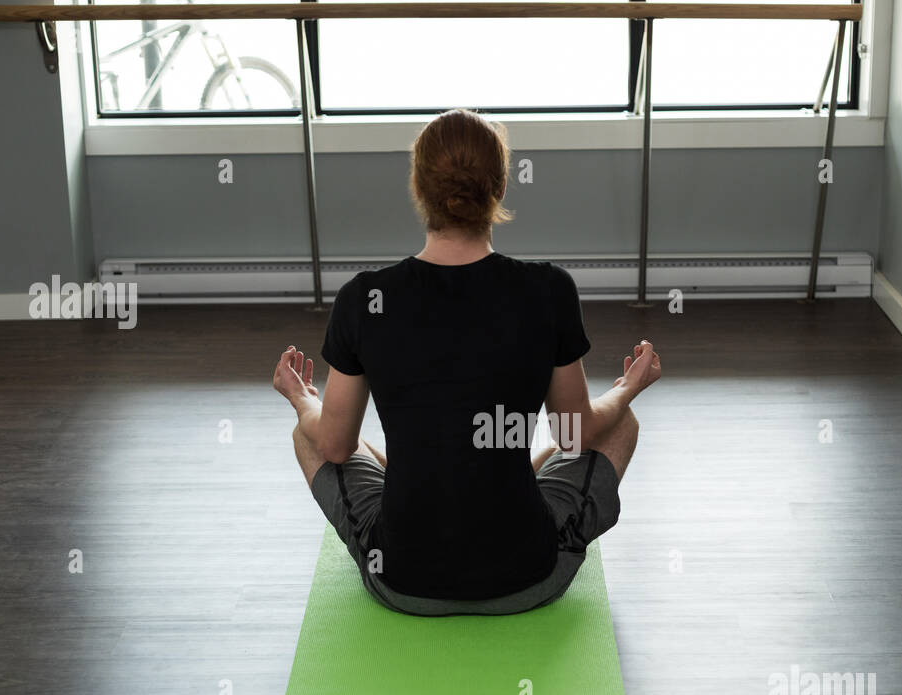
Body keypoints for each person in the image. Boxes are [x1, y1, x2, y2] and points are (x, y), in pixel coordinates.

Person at [272, 108, 661, 615]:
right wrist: (626, 388)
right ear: (499, 188)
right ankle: (499, 478)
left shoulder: (364, 297)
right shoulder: (548, 290)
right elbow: (575, 435)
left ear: (418, 187)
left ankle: (441, 477)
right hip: (528, 577)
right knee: (620, 422)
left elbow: (335, 446)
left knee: (311, 430)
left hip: (401, 578)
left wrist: (302, 398)